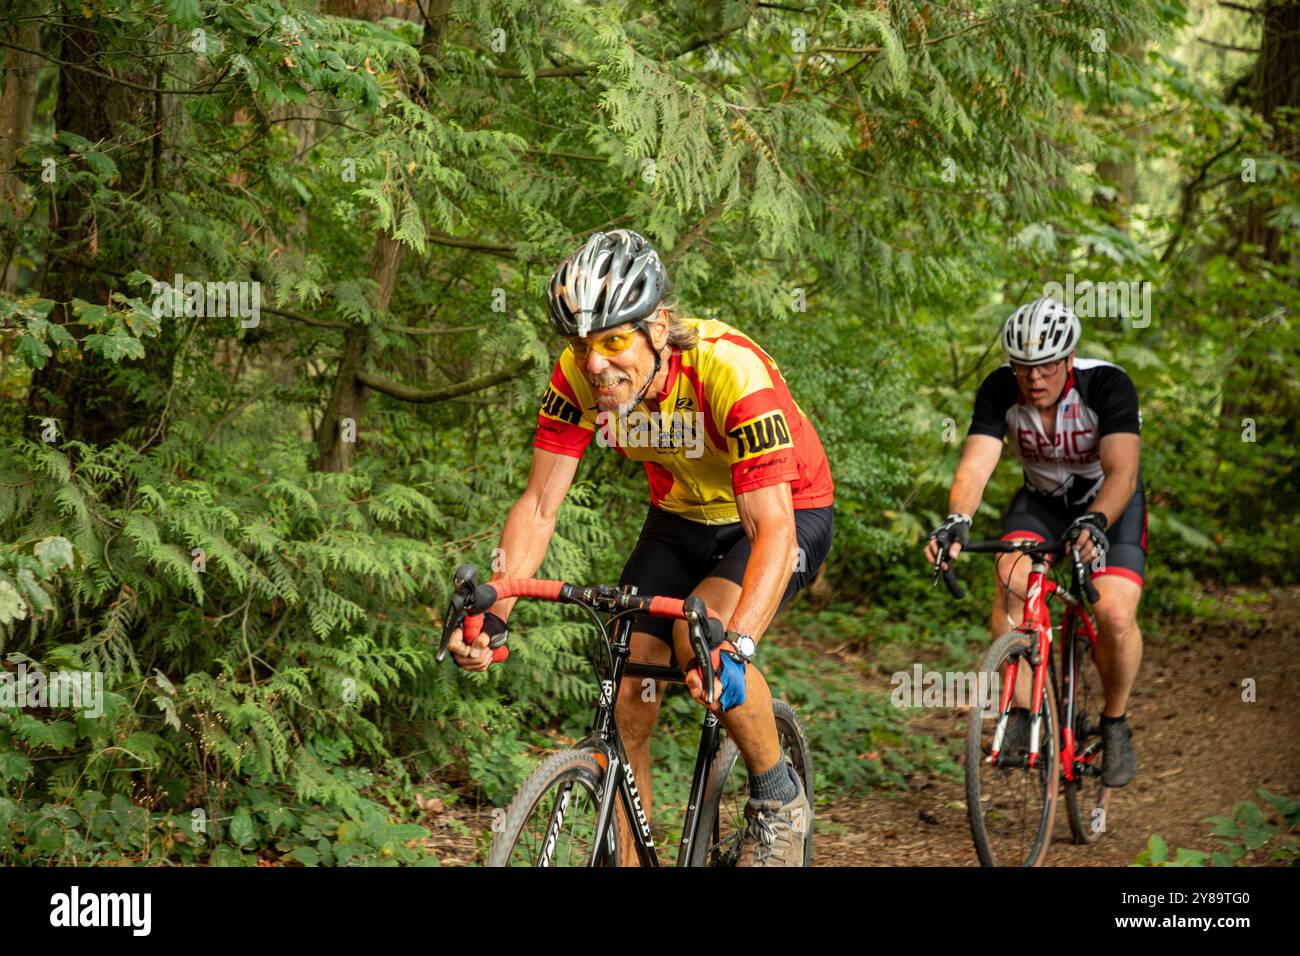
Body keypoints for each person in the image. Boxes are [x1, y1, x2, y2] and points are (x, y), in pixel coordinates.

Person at [446, 229, 834, 865]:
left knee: (699, 640)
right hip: (680, 515)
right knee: (629, 693)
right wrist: (494, 613)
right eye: (580, 343)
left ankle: (776, 796)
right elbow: (540, 506)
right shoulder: (577, 377)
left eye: (614, 340)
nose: (594, 362)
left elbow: (773, 530)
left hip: (784, 513)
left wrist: (736, 646)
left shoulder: (729, 368)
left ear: (657, 326)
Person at [924, 297, 1144, 786]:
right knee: (1010, 580)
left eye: (1046, 365)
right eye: (1023, 367)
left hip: (1107, 501)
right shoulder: (1001, 389)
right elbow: (976, 464)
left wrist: (1096, 523)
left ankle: (1115, 721)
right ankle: (1023, 711)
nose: (1034, 378)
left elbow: (1123, 471)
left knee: (1112, 613)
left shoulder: (1107, 384)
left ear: (1068, 360)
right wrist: (957, 518)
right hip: (1041, 502)